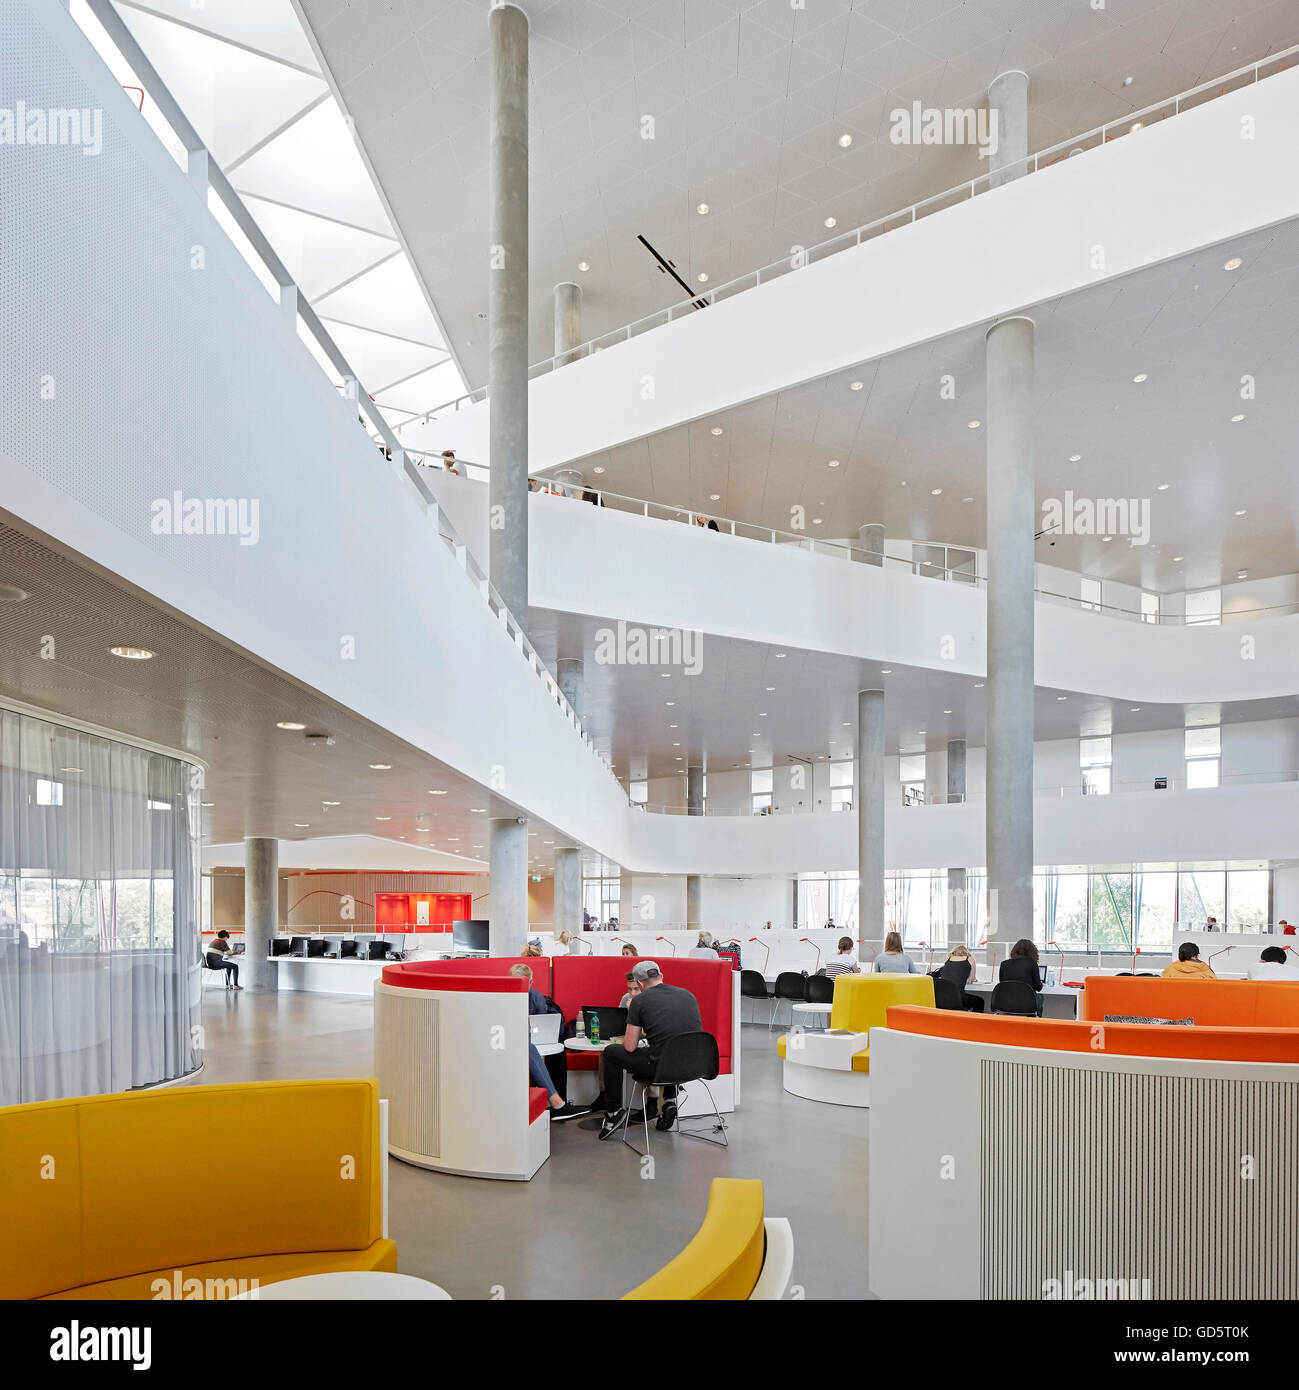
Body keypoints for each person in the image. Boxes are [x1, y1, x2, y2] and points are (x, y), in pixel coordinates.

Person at [597, 961, 701, 1137]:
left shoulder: (639, 1001)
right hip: (694, 1065)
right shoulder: (688, 995)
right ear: (661, 976)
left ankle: (613, 1113)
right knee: (667, 1051)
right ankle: (669, 1102)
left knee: (610, 1052)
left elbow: (629, 1047)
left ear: (639, 983)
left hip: (661, 1068)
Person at [509, 965, 587, 1122]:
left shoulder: (536, 998)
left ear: (531, 982)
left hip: (530, 1041)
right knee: (527, 1047)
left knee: (557, 1051)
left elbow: (542, 1025)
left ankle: (558, 1101)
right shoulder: (503, 996)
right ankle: (557, 1103)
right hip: (508, 1041)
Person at [934, 945, 984, 1012]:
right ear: (966, 952)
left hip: (941, 999)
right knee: (980, 1002)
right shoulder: (969, 959)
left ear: (954, 952)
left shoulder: (949, 959)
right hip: (957, 998)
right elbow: (971, 980)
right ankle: (973, 1022)